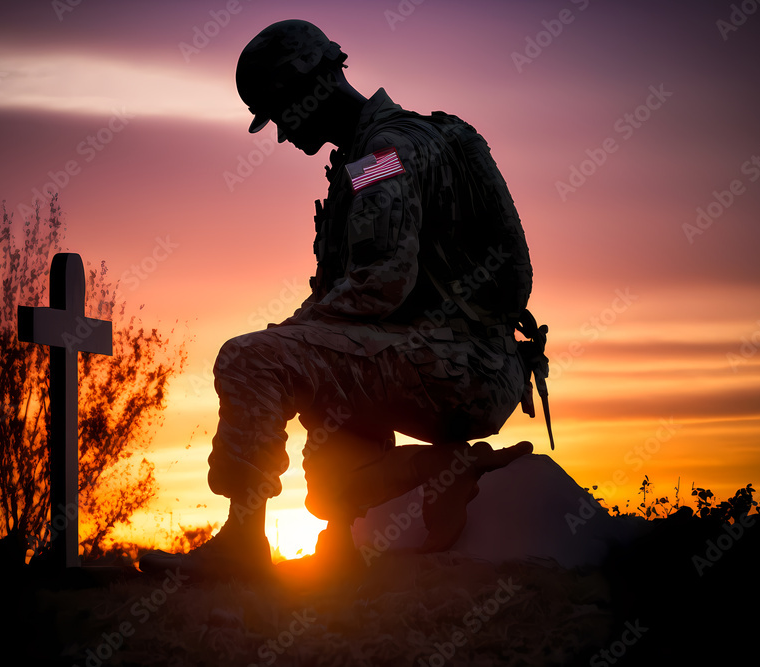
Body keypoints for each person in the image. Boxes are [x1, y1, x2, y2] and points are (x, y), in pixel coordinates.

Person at [141, 19, 542, 580]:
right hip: (458, 361)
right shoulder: (388, 148)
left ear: (312, 87)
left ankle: (241, 543)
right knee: (330, 489)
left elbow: (382, 280)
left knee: (253, 358)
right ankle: (418, 489)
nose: (281, 133)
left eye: (278, 112)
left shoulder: (382, 154)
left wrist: (288, 337)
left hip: (458, 367)